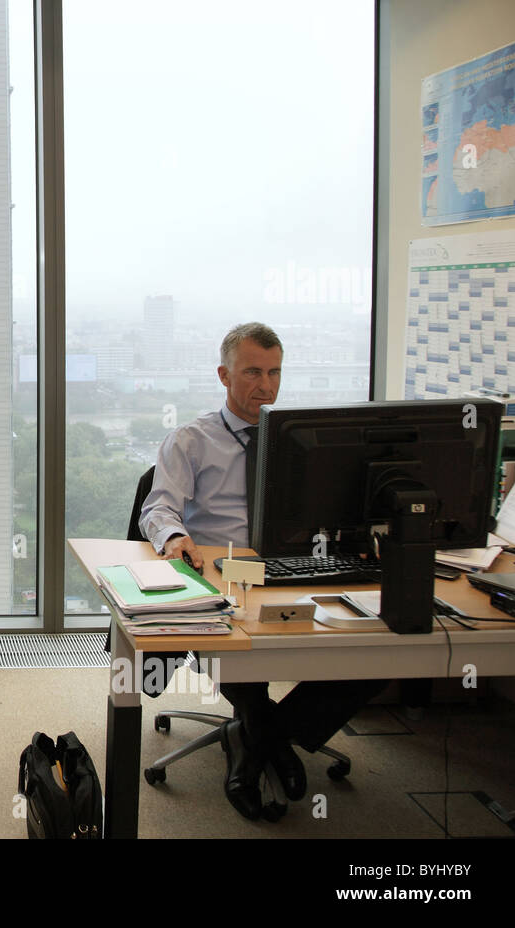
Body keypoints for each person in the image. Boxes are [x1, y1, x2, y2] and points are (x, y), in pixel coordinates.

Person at [138, 322, 386, 821]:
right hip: (223, 571)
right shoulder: (191, 440)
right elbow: (158, 509)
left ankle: (261, 735)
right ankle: (264, 741)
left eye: (274, 372)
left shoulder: (303, 440)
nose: (265, 385)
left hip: (294, 564)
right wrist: (174, 537)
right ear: (224, 375)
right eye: (252, 372)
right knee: (236, 637)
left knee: (379, 646)